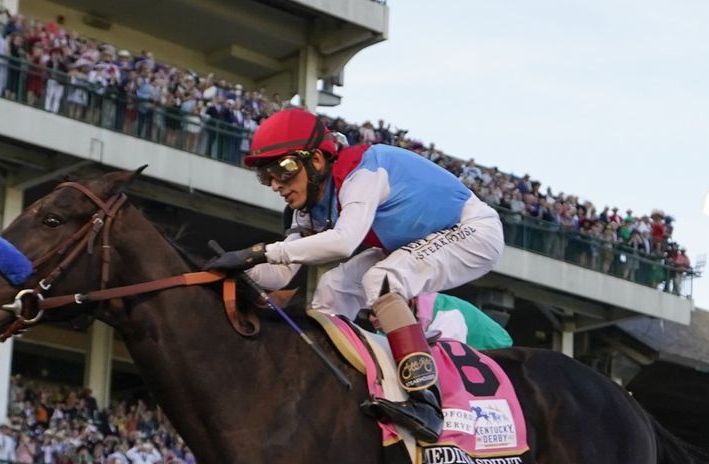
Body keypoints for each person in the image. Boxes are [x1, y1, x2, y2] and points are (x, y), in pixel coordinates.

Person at [205, 108, 505, 442]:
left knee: (382, 278)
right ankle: (324, 385)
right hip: (412, 242)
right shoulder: (309, 205)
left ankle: (427, 401)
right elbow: (279, 274)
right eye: (266, 176)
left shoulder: (361, 172)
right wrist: (224, 273)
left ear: (316, 160)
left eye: (283, 170)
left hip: (472, 229)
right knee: (333, 287)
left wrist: (257, 253)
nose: (276, 184)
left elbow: (344, 242)